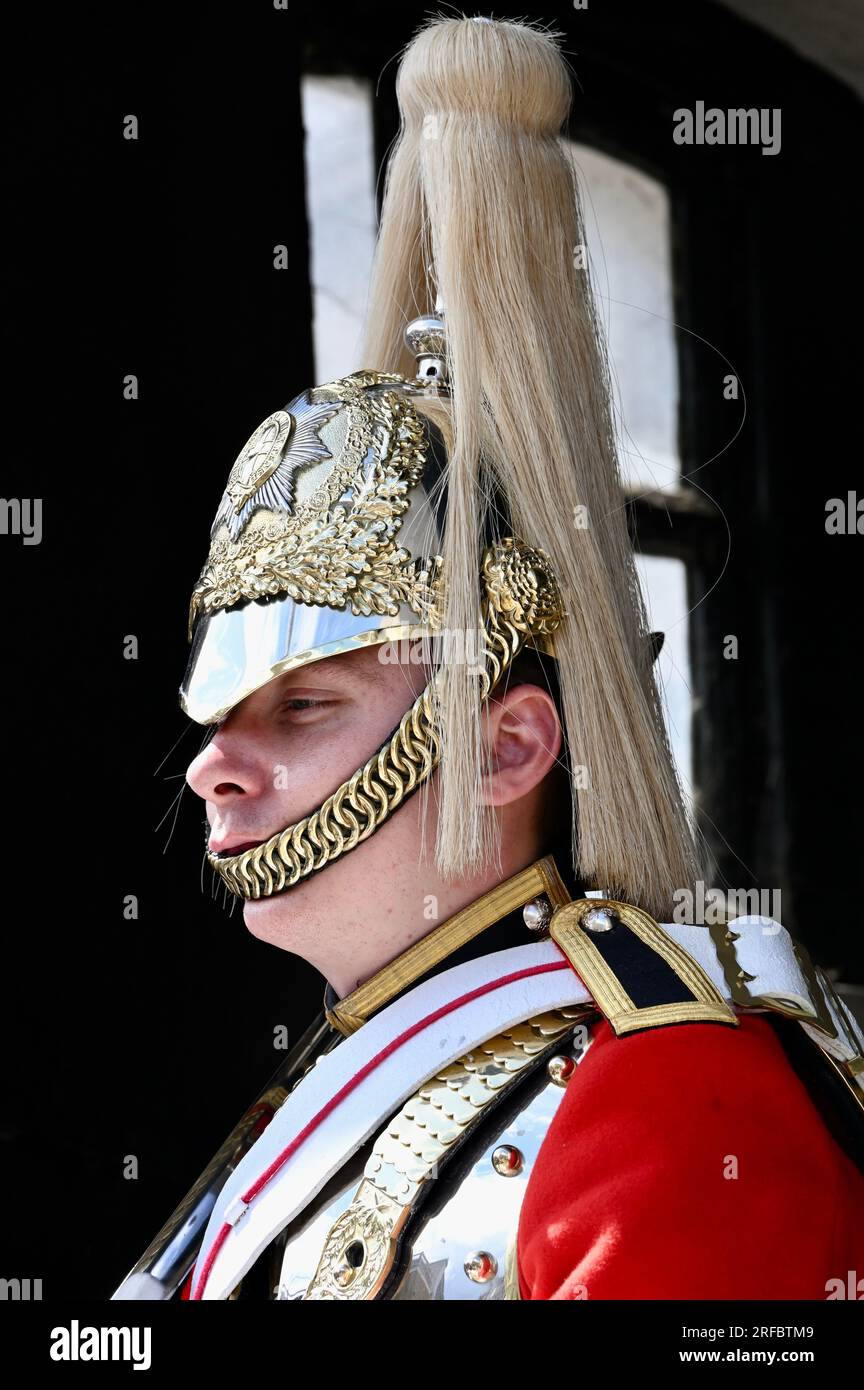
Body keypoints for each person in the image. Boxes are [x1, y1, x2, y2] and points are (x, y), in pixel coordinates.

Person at [112, 15, 864, 1303]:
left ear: (506, 744)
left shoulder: (680, 1089)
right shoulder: (335, 1079)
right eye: (223, 714)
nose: (216, 771)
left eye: (305, 705)